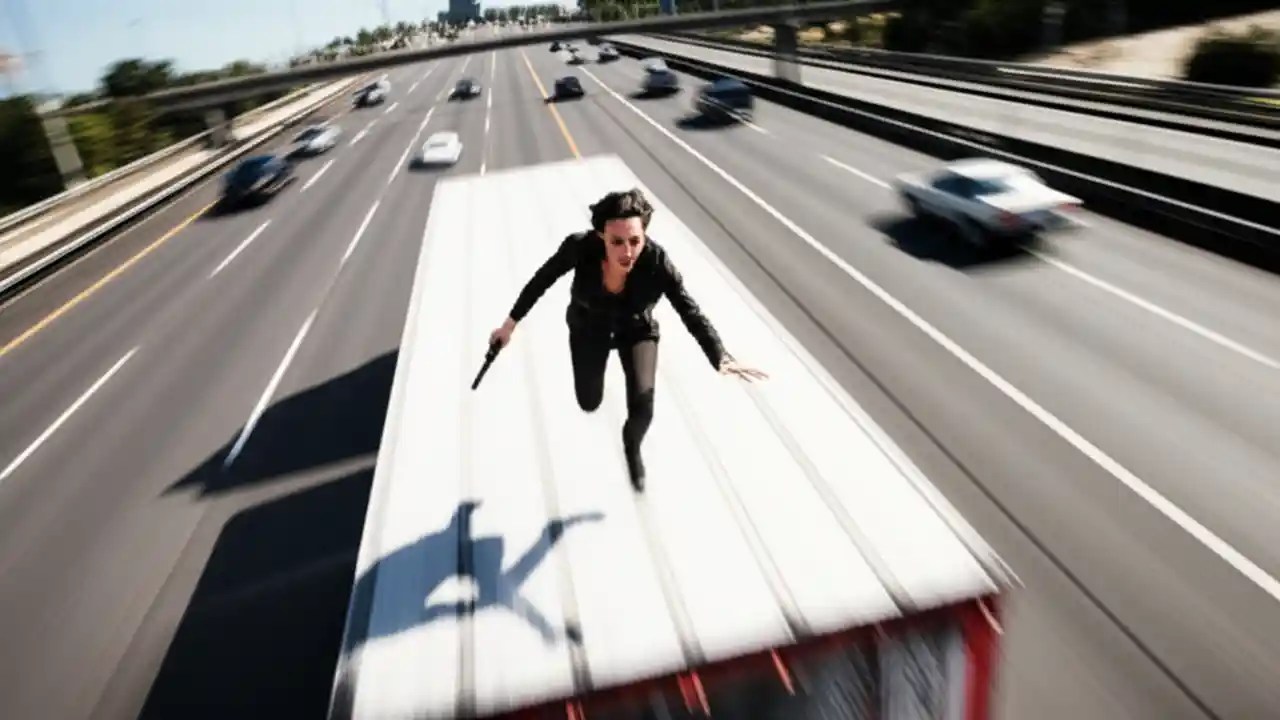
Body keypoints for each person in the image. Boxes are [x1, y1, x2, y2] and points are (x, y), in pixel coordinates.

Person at [489, 188, 767, 492]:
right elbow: (541, 281)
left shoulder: (657, 262)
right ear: (600, 236)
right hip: (588, 328)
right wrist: (509, 325)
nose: (627, 252)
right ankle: (595, 389)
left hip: (636, 330)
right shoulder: (579, 248)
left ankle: (632, 448)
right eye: (617, 242)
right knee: (589, 401)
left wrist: (720, 355)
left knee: (644, 407)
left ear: (644, 236)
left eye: (635, 241)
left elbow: (689, 310)